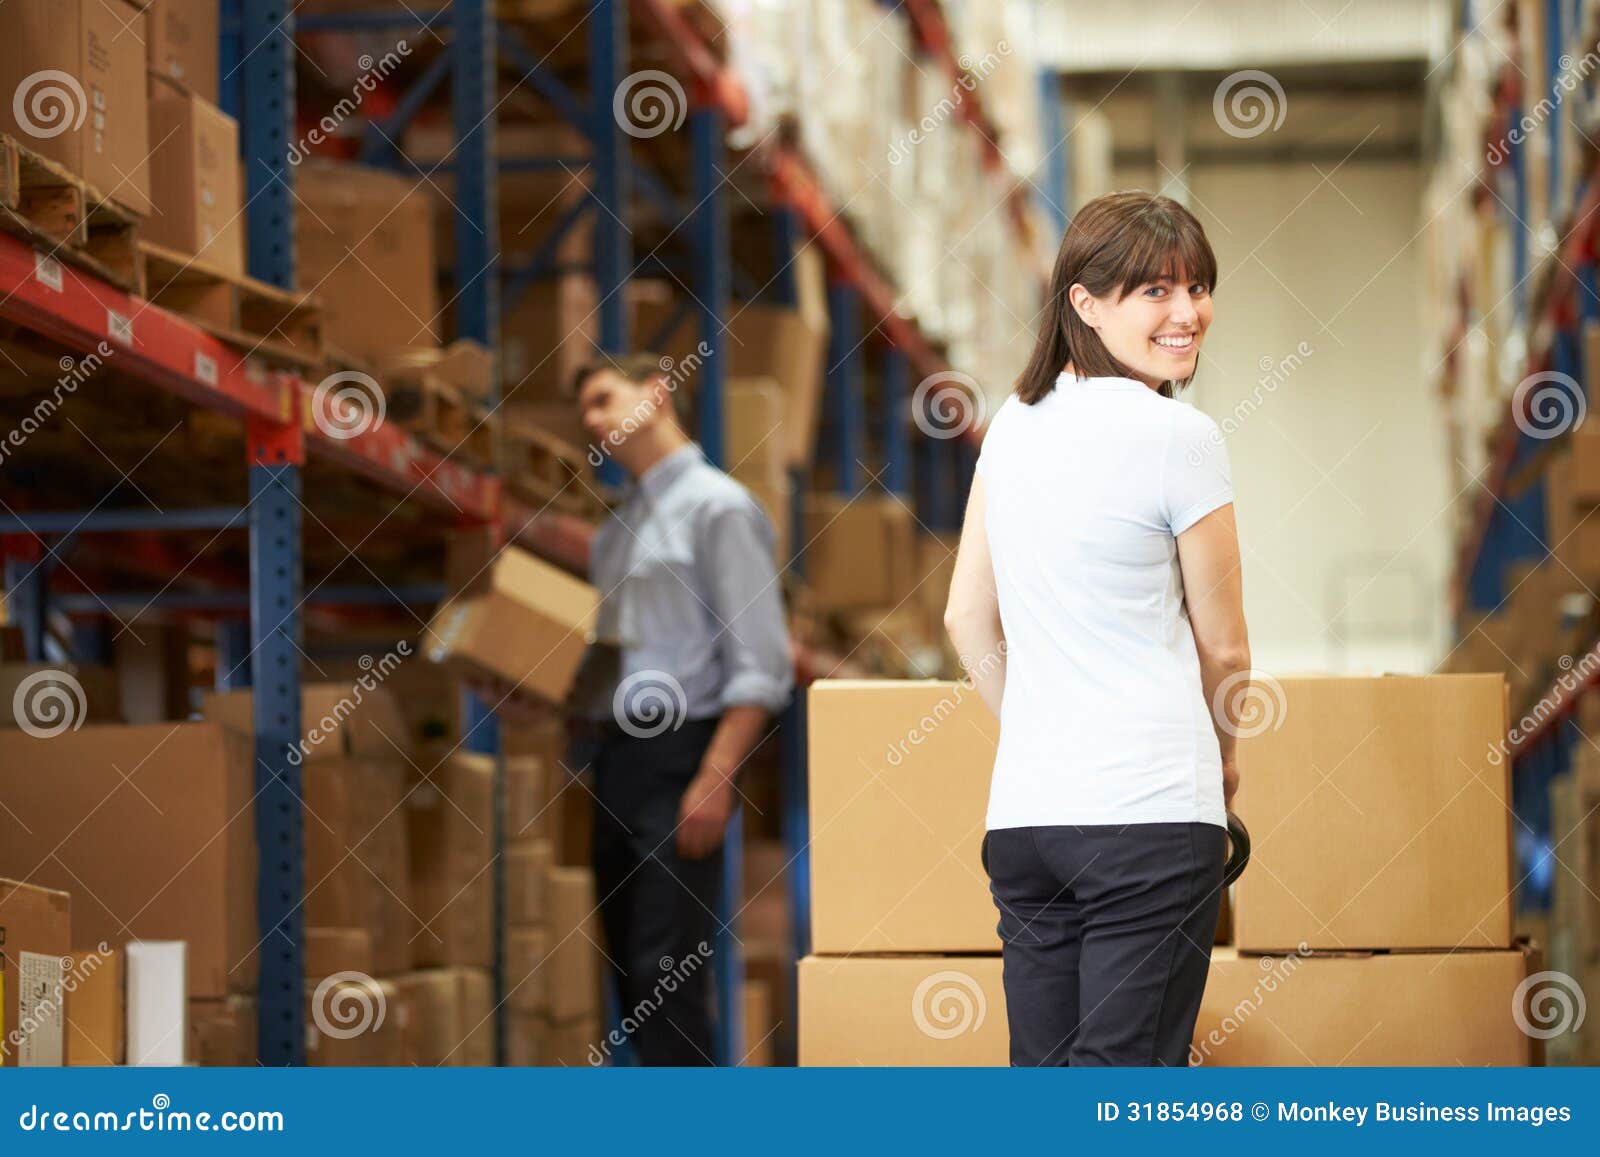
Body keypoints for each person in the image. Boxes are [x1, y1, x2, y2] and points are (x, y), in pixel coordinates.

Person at [943, 191, 1252, 1067]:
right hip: (1150, 814)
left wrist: (1040, 723)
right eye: (1155, 291)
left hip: (1027, 820)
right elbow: (1226, 646)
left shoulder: (1010, 426)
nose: (1187, 313)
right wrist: (1223, 757)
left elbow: (965, 617)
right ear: (1084, 303)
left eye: (1198, 288)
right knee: (1124, 1095)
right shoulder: (1182, 435)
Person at [563, 352, 793, 1066]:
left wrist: (715, 777)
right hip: (617, 759)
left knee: (668, 976)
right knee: (630, 979)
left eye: (605, 399)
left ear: (658, 392)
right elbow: (610, 660)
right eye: (585, 410)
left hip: (683, 759)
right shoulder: (617, 529)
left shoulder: (718, 508)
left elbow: (762, 663)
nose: (592, 420)